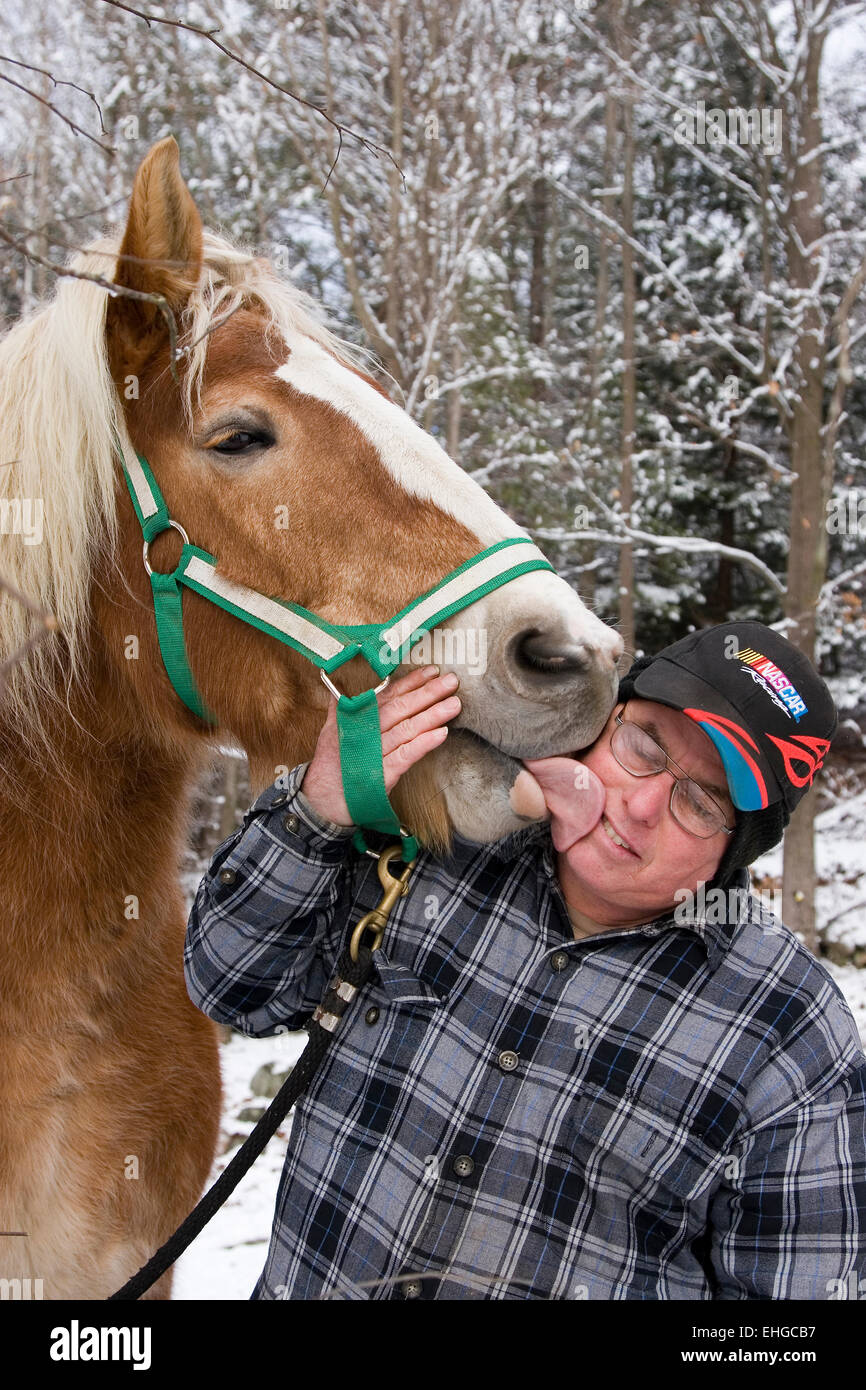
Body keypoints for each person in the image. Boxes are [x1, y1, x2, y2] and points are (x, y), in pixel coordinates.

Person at [184, 621, 866, 1300]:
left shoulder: (793, 1034)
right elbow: (230, 983)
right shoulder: (438, 839)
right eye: (643, 745)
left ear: (736, 849)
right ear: (605, 721)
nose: (641, 804)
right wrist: (322, 808)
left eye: (700, 801)